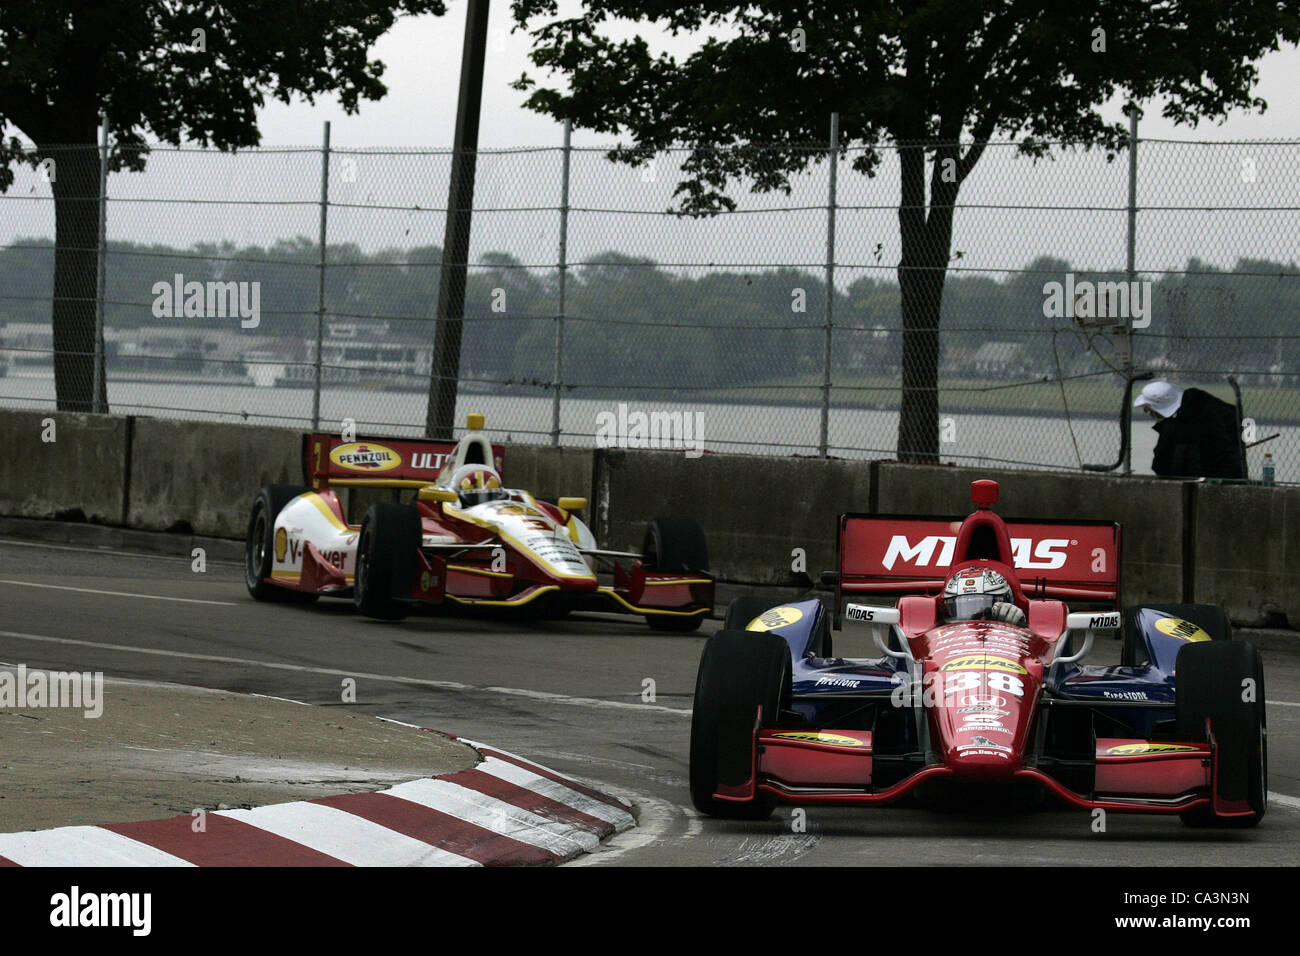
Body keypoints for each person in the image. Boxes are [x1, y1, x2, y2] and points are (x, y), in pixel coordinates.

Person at [1133, 381, 1244, 479]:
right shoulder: (1211, 406)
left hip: (1201, 481)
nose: (1150, 414)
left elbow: (1160, 466)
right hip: (1235, 473)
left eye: (1149, 410)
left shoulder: (1174, 428)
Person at [941, 567, 1027, 627]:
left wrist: (1019, 625)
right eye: (966, 607)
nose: (975, 624)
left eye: (983, 607)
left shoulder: (1011, 615)